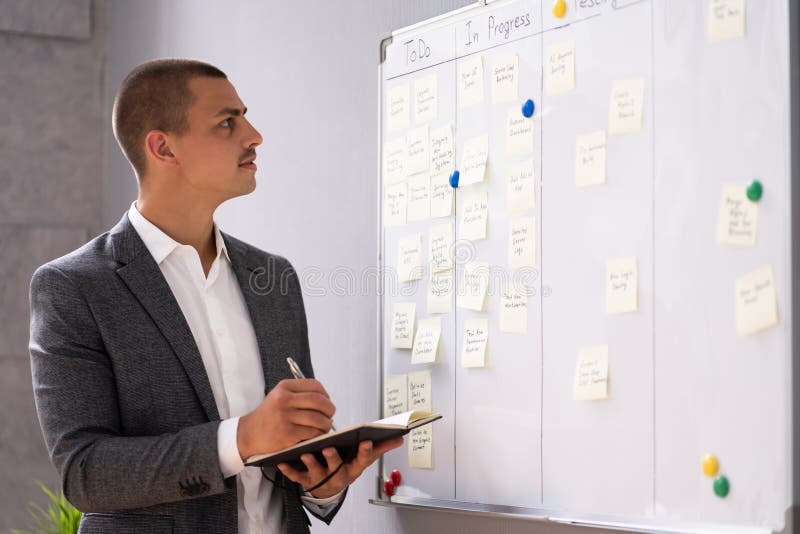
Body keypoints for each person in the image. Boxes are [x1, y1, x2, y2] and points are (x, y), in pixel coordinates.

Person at [28, 58, 402, 534]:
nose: (254, 135)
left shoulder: (274, 277)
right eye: (228, 122)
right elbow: (86, 474)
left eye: (244, 116)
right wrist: (241, 438)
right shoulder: (74, 287)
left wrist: (322, 481)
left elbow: (289, 461)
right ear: (163, 147)